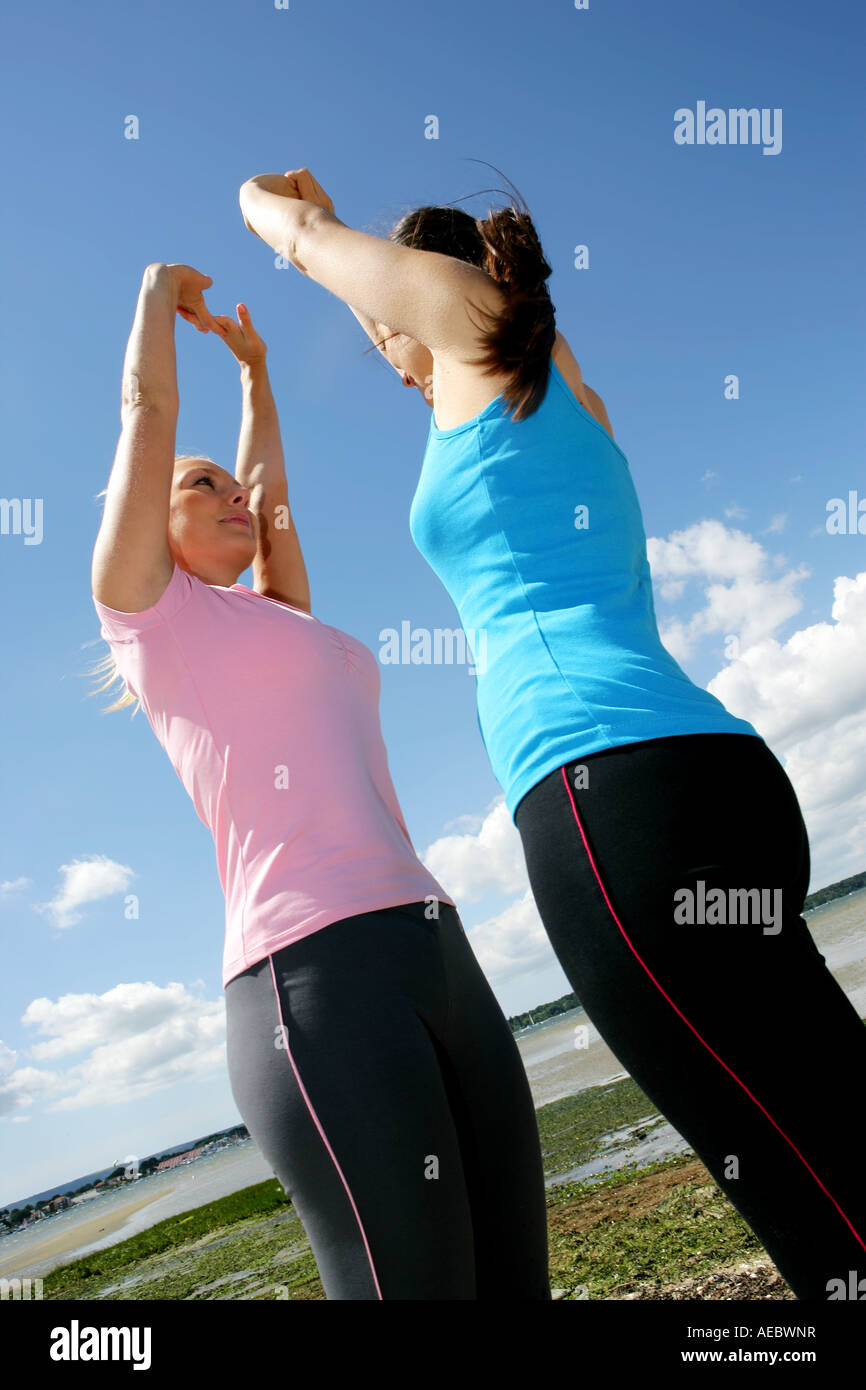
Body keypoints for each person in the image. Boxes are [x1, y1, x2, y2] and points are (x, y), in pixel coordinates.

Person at [238, 168, 866, 1301]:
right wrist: (364, 300)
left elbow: (316, 246)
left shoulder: (472, 339)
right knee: (839, 1120)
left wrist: (271, 207)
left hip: (605, 800)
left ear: (431, 295)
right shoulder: (557, 387)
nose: (384, 339)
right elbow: (402, 329)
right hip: (712, 780)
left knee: (801, 1195)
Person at [88, 261, 550, 1301]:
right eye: (195, 482)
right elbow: (147, 406)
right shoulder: (150, 620)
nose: (228, 494)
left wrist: (256, 374)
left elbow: (273, 496)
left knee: (517, 1282)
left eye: (226, 480)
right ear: (149, 524)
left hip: (434, 945)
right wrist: (155, 294)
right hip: (312, 979)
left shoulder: (282, 616)